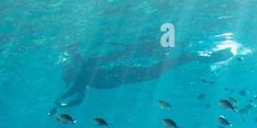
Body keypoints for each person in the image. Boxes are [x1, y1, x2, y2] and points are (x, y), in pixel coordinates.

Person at [56, 40, 237, 107]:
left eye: (67, 73)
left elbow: (75, 92)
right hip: (129, 75)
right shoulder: (82, 79)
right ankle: (196, 56)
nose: (69, 74)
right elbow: (77, 97)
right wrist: (62, 103)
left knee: (156, 70)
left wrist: (61, 101)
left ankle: (198, 56)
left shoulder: (83, 75)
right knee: (156, 70)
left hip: (128, 74)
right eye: (67, 75)